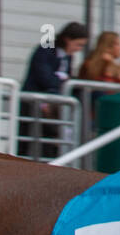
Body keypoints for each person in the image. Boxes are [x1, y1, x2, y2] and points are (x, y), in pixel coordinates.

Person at [18, 21, 89, 160]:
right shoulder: (46, 49)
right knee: (26, 137)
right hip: (34, 100)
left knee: (51, 138)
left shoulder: (68, 56)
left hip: (54, 102)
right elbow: (44, 77)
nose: (78, 49)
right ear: (67, 39)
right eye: (78, 45)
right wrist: (62, 82)